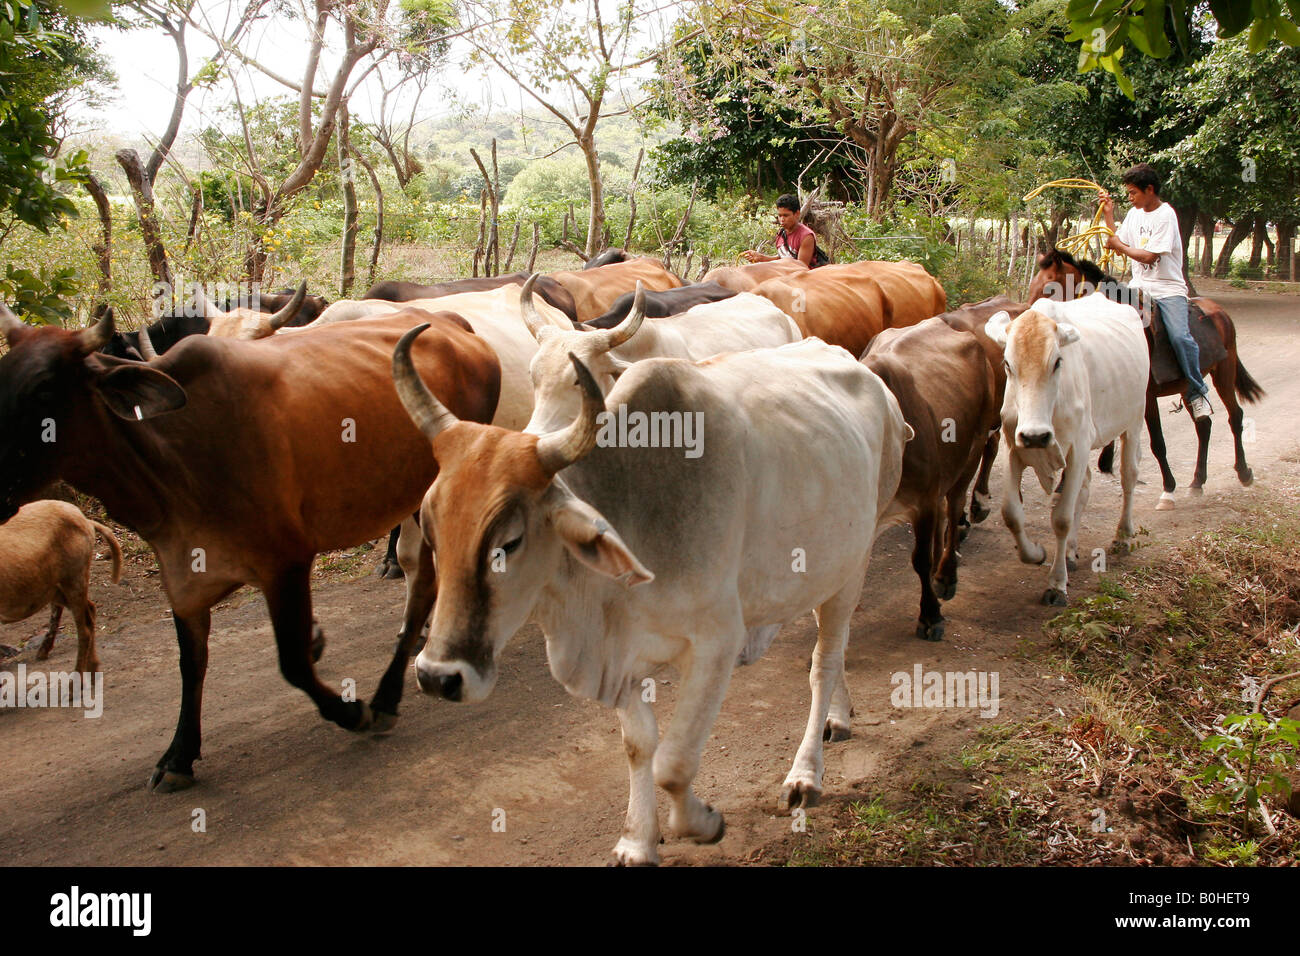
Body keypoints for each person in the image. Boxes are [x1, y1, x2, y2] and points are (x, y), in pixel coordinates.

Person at [1100, 163, 1212, 420]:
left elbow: (1149, 256)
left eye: (1133, 193)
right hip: (1138, 287)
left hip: (1167, 289)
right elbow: (1119, 241)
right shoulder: (1134, 213)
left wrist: (1120, 246)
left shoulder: (1166, 215)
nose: (1130, 197)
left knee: (1180, 337)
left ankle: (1198, 392)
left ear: (1149, 190)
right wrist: (1109, 214)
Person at [742, 194, 825, 267]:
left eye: (786, 215)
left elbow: (801, 267)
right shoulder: (781, 233)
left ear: (797, 214)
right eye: (779, 215)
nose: (782, 219)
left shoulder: (806, 236)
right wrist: (761, 258)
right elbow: (782, 257)